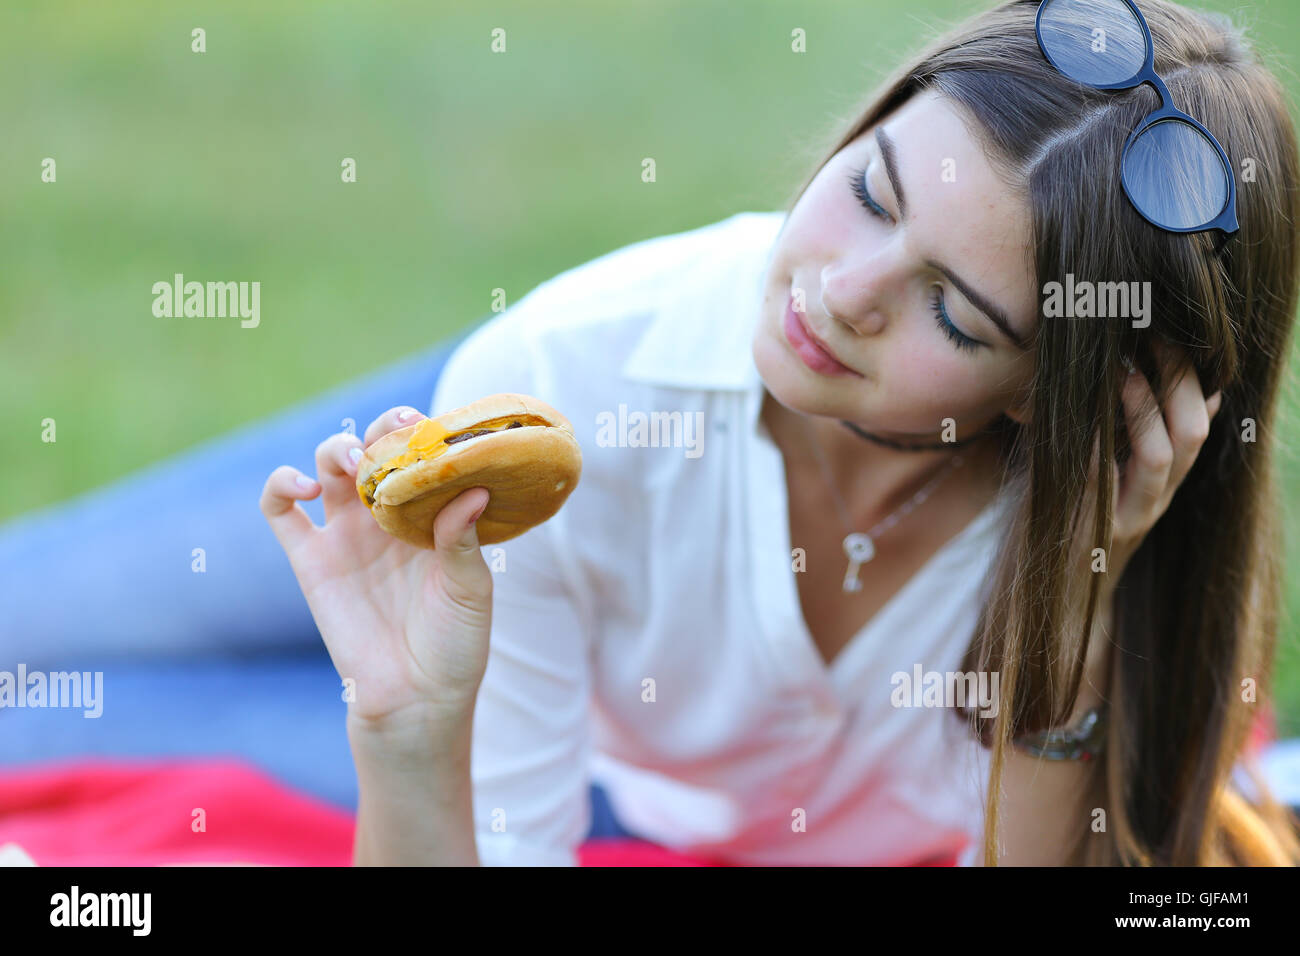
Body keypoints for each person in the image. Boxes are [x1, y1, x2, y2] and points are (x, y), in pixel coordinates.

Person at [265, 0, 1300, 866]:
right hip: (574, 401)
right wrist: (405, 735)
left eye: (953, 311)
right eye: (869, 193)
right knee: (100, 635)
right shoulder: (557, 370)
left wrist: (1076, 604)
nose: (841, 292)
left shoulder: (1119, 535)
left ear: (1057, 397)